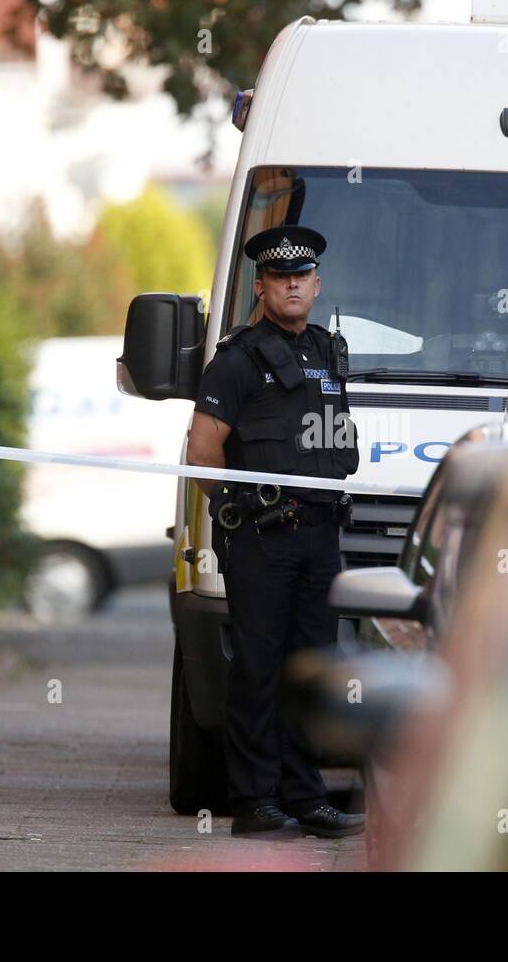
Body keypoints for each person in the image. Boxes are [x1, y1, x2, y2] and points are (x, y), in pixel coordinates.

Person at [185, 224, 365, 840]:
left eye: (303, 277)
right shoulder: (236, 362)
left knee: (310, 667)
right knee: (258, 668)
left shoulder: (326, 351)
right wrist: (237, 511)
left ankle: (305, 795)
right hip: (263, 538)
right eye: (281, 278)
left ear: (317, 285)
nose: (293, 285)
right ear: (260, 288)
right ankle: (255, 802)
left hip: (320, 535)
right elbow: (203, 454)